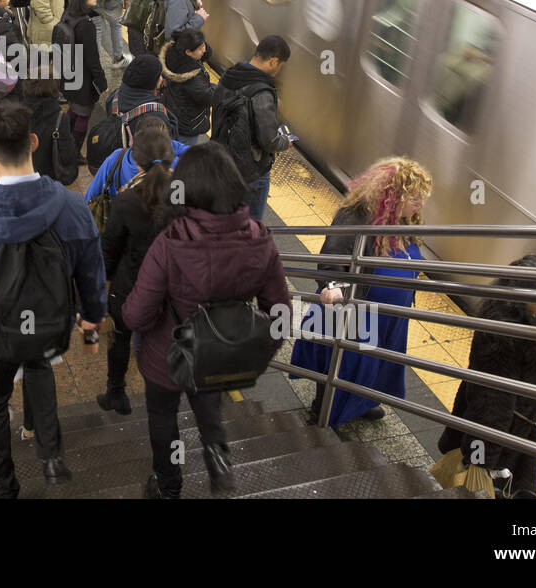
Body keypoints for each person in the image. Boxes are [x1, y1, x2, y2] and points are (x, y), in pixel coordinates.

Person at [0, 102, 107, 499]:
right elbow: (92, 274)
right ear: (33, 141)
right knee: (39, 363)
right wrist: (93, 316)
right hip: (50, 324)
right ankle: (48, 451)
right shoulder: (73, 207)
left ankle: (1, 481)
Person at [122, 141, 291, 498]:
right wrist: (250, 348)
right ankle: (220, 468)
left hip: (166, 357)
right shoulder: (261, 239)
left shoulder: (171, 241)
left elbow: (137, 315)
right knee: (209, 407)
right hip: (219, 353)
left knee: (163, 417)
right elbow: (280, 313)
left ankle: (168, 486)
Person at [288, 156, 434, 426]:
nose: (420, 204)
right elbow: (331, 256)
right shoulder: (356, 214)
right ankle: (324, 412)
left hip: (389, 316)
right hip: (357, 309)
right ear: (393, 195)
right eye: (415, 197)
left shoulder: (405, 219)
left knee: (376, 364)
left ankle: (363, 401)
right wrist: (332, 287)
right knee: (344, 363)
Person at [439, 255, 536, 496]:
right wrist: (483, 458)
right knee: (488, 490)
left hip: (524, 431)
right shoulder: (502, 333)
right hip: (503, 438)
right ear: (524, 292)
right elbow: (491, 400)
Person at [97, 124, 176, 416]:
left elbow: (110, 248)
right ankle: (161, 391)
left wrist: (100, 283)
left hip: (129, 286)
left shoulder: (126, 200)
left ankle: (116, 393)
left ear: (136, 159)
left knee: (119, 338)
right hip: (171, 287)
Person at [213, 34, 292, 220]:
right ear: (273, 61)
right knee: (251, 224)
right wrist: (285, 142)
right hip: (250, 171)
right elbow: (269, 140)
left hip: (221, 160)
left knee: (226, 218)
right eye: (281, 66)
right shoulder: (262, 91)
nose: (279, 71)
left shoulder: (229, 75)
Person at [85, 114, 188, 204]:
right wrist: (162, 144)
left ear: (135, 139)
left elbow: (89, 196)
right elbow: (178, 209)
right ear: (167, 142)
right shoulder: (176, 167)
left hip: (120, 219)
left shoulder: (117, 157)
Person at [58, 0, 108, 152]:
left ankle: (61, 138)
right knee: (84, 113)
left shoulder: (67, 15)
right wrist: (102, 83)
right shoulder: (86, 25)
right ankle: (74, 150)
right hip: (83, 79)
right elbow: (92, 58)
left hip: (68, 73)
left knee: (74, 107)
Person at [160, 29, 217, 145]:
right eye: (200, 48)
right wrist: (220, 87)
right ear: (188, 52)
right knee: (183, 154)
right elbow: (209, 97)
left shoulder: (174, 53)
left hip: (176, 110)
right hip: (187, 123)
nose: (204, 50)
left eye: (204, 45)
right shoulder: (191, 75)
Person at [25, 71, 79, 186]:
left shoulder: (17, 112)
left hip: (23, 172)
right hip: (49, 178)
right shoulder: (60, 118)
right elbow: (67, 154)